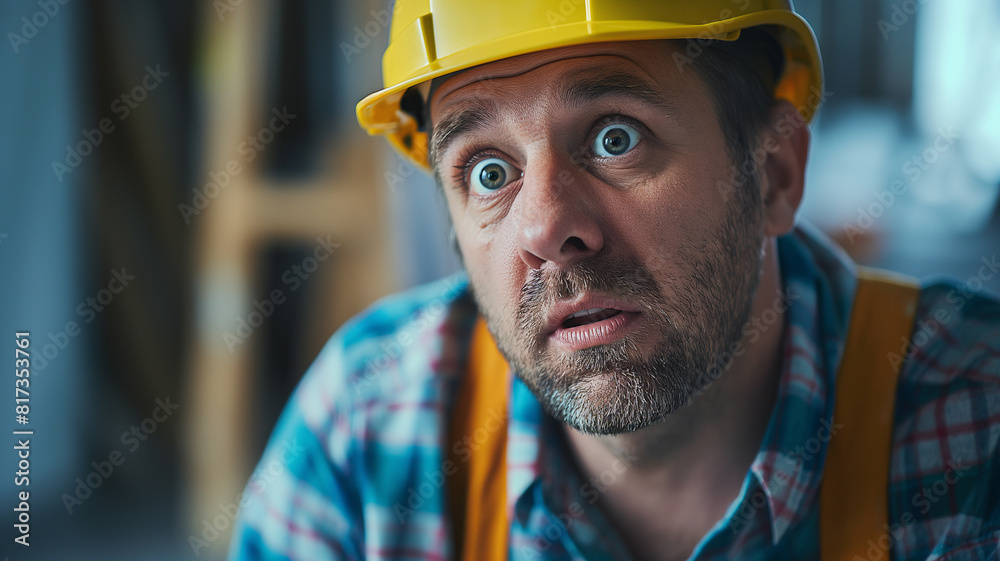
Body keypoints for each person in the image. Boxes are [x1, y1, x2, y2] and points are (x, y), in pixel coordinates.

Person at [228, 1, 1000, 559]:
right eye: (488, 171)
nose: (546, 229)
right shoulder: (367, 430)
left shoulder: (975, 420)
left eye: (614, 137)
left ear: (773, 173)